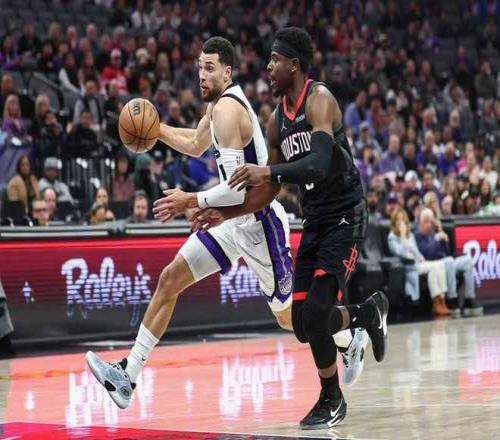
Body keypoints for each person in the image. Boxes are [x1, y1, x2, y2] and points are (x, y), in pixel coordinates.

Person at [86, 36, 374, 423]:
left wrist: (191, 199)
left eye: (209, 68)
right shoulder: (215, 108)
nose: (201, 75)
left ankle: (349, 336)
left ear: (227, 72)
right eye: (198, 68)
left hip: (258, 222)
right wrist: (155, 129)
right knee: (171, 278)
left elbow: (238, 189)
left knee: (292, 319)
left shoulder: (227, 109)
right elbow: (195, 142)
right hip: (227, 222)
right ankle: (127, 376)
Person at [186, 28, 388, 429]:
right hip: (315, 220)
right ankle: (367, 313)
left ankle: (331, 398)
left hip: (345, 216)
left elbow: (316, 164)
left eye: (275, 60)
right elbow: (269, 192)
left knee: (317, 313)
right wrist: (225, 213)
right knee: (301, 323)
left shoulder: (320, 100)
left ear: (294, 65)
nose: (268, 67)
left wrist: (266, 170)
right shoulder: (276, 121)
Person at [415, 208, 483, 318]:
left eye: (431, 221)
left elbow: (447, 252)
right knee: (449, 261)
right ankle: (452, 299)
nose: (429, 225)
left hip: (446, 262)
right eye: (426, 221)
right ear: (420, 223)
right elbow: (427, 254)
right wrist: (436, 240)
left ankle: (469, 299)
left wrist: (442, 235)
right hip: (434, 264)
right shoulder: (418, 236)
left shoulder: (435, 234)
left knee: (467, 261)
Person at [388, 208, 450, 316]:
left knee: (439, 265)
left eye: (403, 219)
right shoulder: (392, 237)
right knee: (435, 267)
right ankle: (436, 302)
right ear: (394, 222)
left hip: (418, 264)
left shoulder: (410, 235)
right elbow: (401, 253)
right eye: (398, 220)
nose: (401, 223)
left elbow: (416, 251)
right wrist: (402, 235)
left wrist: (423, 259)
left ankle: (441, 300)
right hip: (408, 266)